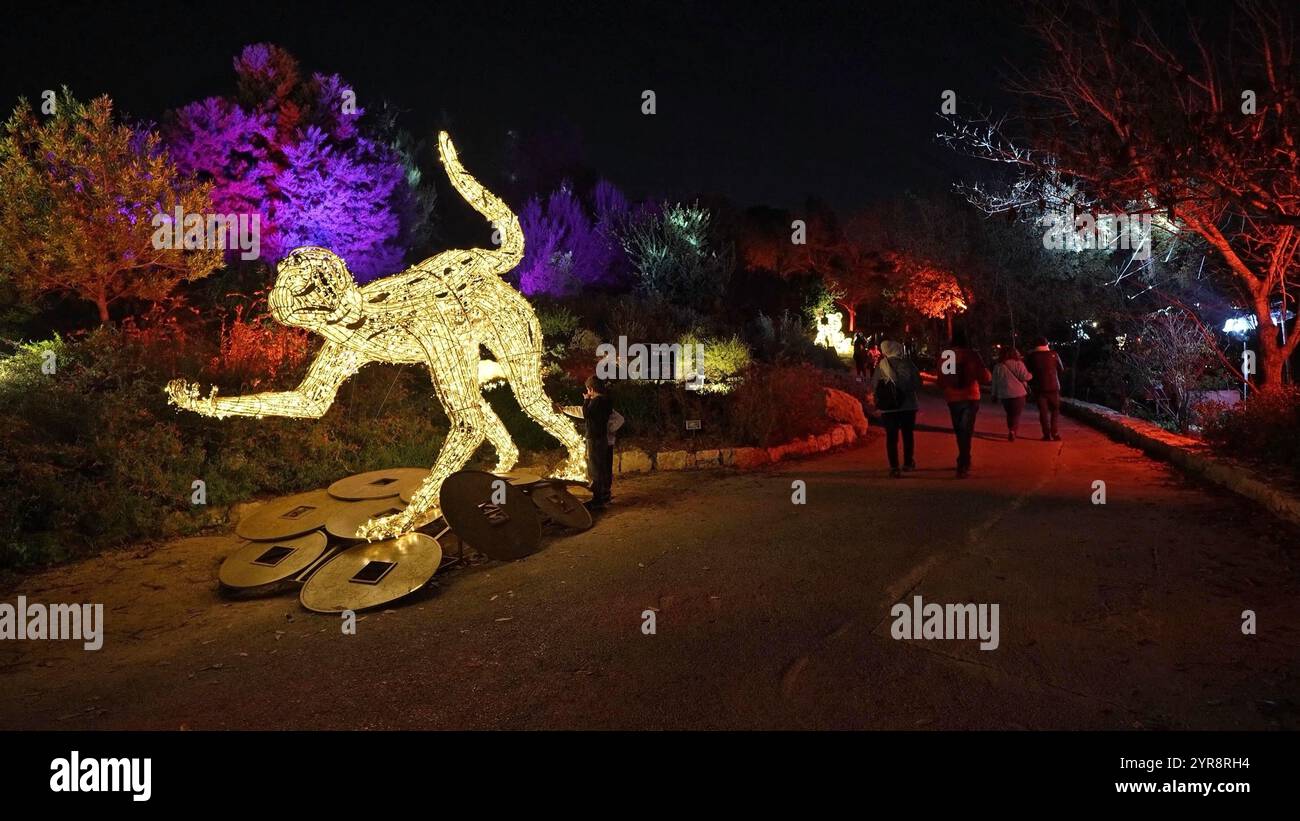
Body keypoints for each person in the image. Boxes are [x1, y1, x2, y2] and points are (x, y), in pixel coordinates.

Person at [556, 376, 621, 508]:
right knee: (601, 467)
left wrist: (586, 400)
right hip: (602, 438)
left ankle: (597, 500)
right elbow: (585, 412)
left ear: (591, 389)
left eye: (587, 390)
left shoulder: (596, 401)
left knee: (595, 469)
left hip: (594, 438)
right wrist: (566, 409)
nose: (587, 392)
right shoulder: (606, 401)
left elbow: (586, 413)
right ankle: (604, 495)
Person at [937, 328, 991, 478]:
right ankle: (963, 462)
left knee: (959, 430)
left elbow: (942, 380)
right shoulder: (972, 354)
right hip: (971, 396)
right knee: (966, 430)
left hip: (953, 398)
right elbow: (985, 377)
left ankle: (963, 459)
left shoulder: (947, 355)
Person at [870, 339, 921, 478]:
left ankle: (894, 467)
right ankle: (908, 463)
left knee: (891, 437)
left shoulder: (881, 365)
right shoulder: (907, 363)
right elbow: (917, 383)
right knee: (907, 435)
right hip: (908, 406)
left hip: (888, 407)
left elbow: (874, 385)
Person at [1025, 336, 1065, 441]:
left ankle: (1046, 434)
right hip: (1054, 386)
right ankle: (1055, 433)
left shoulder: (1032, 356)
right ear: (1047, 344)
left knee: (1043, 412)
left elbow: (1027, 371)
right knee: (1055, 410)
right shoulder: (1054, 354)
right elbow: (1061, 369)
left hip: (1039, 388)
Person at [990, 346, 1033, 441]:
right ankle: (1013, 431)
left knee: (1009, 413)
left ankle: (1011, 430)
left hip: (1004, 395)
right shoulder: (1019, 364)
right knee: (1016, 414)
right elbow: (1025, 377)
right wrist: (1031, 375)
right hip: (1018, 394)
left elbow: (995, 382)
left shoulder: (998, 366)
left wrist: (994, 394)